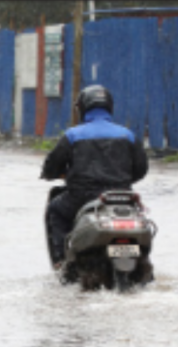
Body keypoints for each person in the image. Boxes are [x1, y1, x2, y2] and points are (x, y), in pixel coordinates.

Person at [41, 85, 149, 269]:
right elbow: (141, 169)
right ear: (109, 107)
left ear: (83, 108)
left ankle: (60, 262)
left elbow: (51, 167)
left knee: (55, 210)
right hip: (122, 197)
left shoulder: (73, 135)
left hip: (81, 197)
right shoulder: (127, 135)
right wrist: (122, 181)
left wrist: (58, 174)